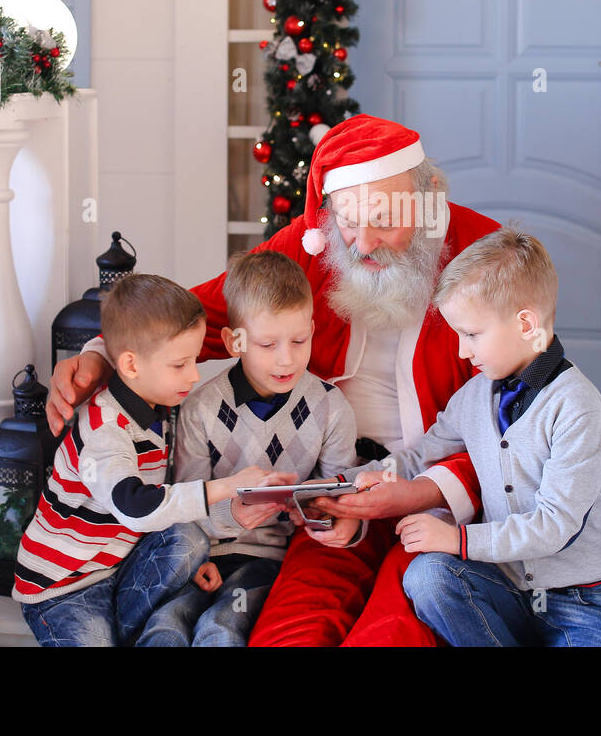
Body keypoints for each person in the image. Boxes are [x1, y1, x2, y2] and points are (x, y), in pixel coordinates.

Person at [47, 115, 503, 646]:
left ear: (428, 199)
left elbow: (516, 419)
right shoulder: (311, 247)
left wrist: (415, 493)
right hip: (328, 494)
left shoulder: (485, 256)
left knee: (393, 630)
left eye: (382, 220)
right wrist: (107, 353)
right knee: (289, 631)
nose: (362, 244)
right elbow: (212, 312)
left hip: (432, 495)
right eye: (349, 222)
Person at [355, 228, 601, 647]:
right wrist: (358, 480)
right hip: (507, 590)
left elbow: (555, 526)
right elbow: (420, 456)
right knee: (427, 576)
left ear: (524, 323)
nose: (463, 351)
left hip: (583, 600)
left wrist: (459, 539)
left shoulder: (576, 407)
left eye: (471, 334)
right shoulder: (475, 395)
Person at [12, 274, 280, 646]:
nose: (194, 374)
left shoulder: (157, 410)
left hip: (116, 568)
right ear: (131, 366)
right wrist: (226, 487)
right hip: (63, 587)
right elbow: (136, 507)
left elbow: (161, 510)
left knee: (188, 538)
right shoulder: (106, 429)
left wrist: (187, 570)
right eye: (180, 364)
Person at [155, 250, 362, 645]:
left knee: (221, 628)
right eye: (268, 345)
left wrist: (322, 513)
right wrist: (231, 515)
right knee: (166, 626)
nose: (287, 358)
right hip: (199, 554)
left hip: (266, 562)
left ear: (312, 330)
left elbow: (339, 492)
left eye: (299, 340)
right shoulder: (201, 408)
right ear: (235, 341)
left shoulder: (330, 407)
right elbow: (185, 501)